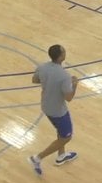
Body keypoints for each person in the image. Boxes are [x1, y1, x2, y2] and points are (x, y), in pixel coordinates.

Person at [28, 44, 79, 175]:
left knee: (61, 132)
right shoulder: (64, 76)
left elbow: (34, 80)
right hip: (58, 111)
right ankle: (37, 158)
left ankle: (61, 155)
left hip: (46, 106)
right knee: (66, 137)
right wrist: (74, 85)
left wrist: (49, 83)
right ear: (61, 56)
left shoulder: (42, 67)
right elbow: (69, 97)